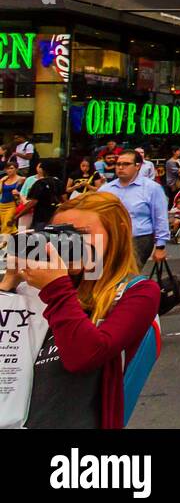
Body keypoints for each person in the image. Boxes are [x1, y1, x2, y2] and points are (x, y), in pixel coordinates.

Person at [6, 191, 161, 428]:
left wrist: (56, 288)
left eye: (81, 235)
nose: (68, 245)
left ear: (116, 233)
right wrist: (8, 286)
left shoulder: (137, 292)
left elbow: (84, 356)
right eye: (59, 235)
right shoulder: (36, 285)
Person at [102, 150, 169, 268]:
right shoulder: (106, 190)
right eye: (118, 164)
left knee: (127, 276)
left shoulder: (152, 188)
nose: (121, 167)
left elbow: (160, 218)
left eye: (126, 164)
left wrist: (160, 246)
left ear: (137, 166)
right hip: (111, 239)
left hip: (138, 239)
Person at [25, 159, 65, 230]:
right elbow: (63, 199)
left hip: (41, 218)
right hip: (55, 216)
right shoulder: (59, 183)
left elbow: (33, 202)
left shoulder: (40, 183)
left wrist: (17, 216)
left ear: (44, 170)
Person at [1, 161, 24, 234]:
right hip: (1, 205)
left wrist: (18, 193)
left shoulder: (21, 179)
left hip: (12, 205)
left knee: (7, 225)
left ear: (17, 169)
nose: (9, 170)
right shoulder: (4, 179)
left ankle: (3, 243)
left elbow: (25, 192)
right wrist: (1, 181)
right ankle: (14, 239)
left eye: (11, 168)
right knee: (9, 226)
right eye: (7, 169)